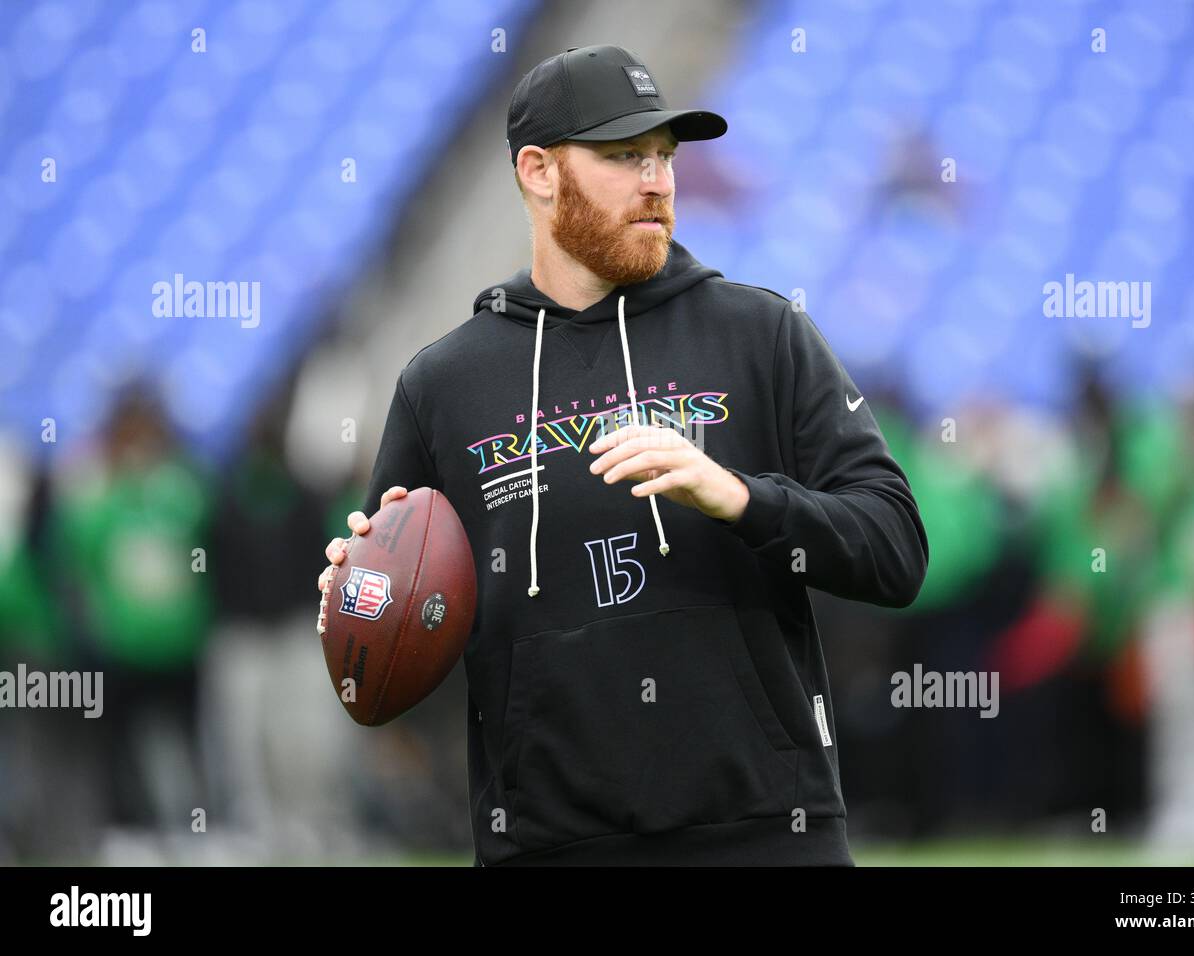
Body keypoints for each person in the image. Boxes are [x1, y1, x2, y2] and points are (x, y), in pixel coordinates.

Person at [318, 44, 928, 866]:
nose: (659, 181)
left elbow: (895, 549)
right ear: (538, 172)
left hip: (766, 834)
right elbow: (399, 624)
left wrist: (744, 499)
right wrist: (363, 598)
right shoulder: (443, 385)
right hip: (549, 844)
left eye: (665, 156)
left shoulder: (762, 334)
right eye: (623, 156)